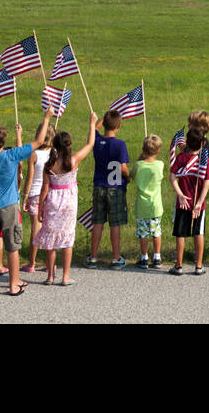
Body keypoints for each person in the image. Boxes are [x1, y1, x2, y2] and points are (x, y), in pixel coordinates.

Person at [0, 108, 53, 296]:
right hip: (10, 207)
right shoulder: (12, 155)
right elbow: (39, 142)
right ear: (3, 142)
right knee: (12, 248)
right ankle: (13, 285)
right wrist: (46, 118)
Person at [36, 111, 97, 286]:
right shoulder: (73, 160)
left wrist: (40, 207)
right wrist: (92, 123)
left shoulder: (50, 164)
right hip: (69, 202)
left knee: (51, 239)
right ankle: (66, 276)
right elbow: (90, 144)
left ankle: (49, 276)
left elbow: (44, 188)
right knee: (66, 239)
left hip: (53, 201)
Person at [88, 109, 131, 269]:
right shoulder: (120, 144)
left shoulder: (96, 141)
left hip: (99, 186)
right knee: (115, 224)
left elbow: (95, 131)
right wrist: (127, 177)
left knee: (98, 221)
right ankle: (116, 257)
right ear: (118, 126)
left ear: (104, 124)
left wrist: (96, 121)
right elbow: (123, 167)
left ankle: (93, 257)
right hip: (115, 188)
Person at [169, 120, 209, 275]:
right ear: (202, 144)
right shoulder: (204, 161)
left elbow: (172, 176)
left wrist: (180, 195)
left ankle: (179, 266)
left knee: (180, 234)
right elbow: (206, 183)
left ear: (186, 142)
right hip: (198, 204)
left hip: (183, 203)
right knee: (198, 233)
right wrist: (199, 203)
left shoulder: (181, 158)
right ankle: (199, 266)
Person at [21, 125, 54, 273]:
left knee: (36, 228)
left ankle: (32, 263)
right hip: (51, 193)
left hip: (35, 193)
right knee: (50, 228)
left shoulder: (34, 154)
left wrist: (25, 197)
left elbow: (30, 177)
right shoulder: (56, 153)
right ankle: (50, 263)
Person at [131, 134, 166, 269]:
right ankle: (157, 256)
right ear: (157, 150)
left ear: (143, 149)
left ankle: (144, 257)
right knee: (156, 232)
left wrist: (141, 156)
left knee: (143, 233)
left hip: (141, 205)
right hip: (155, 205)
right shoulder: (160, 165)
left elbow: (132, 175)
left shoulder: (138, 165)